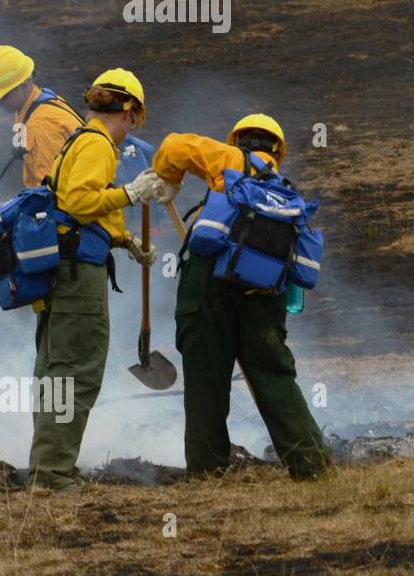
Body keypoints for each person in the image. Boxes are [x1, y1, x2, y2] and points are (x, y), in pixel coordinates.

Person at [150, 115, 332, 480]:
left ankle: (207, 471)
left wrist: (168, 179)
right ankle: (311, 464)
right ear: (278, 151)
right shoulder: (286, 192)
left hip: (210, 287)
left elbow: (172, 147)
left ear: (237, 139)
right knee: (274, 375)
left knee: (206, 379)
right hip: (263, 293)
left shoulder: (230, 159)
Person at [28, 69, 159, 492]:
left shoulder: (80, 139)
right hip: (77, 278)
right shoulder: (100, 145)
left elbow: (75, 211)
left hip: (63, 271)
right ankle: (52, 475)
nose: (130, 131)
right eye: (133, 121)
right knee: (77, 371)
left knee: (56, 371)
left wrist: (124, 240)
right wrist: (130, 194)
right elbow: (80, 201)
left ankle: (48, 468)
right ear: (129, 113)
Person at [0, 45, 83, 188]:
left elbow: (53, 192)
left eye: (3, 96)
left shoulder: (40, 126)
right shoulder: (39, 98)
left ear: (25, 84)